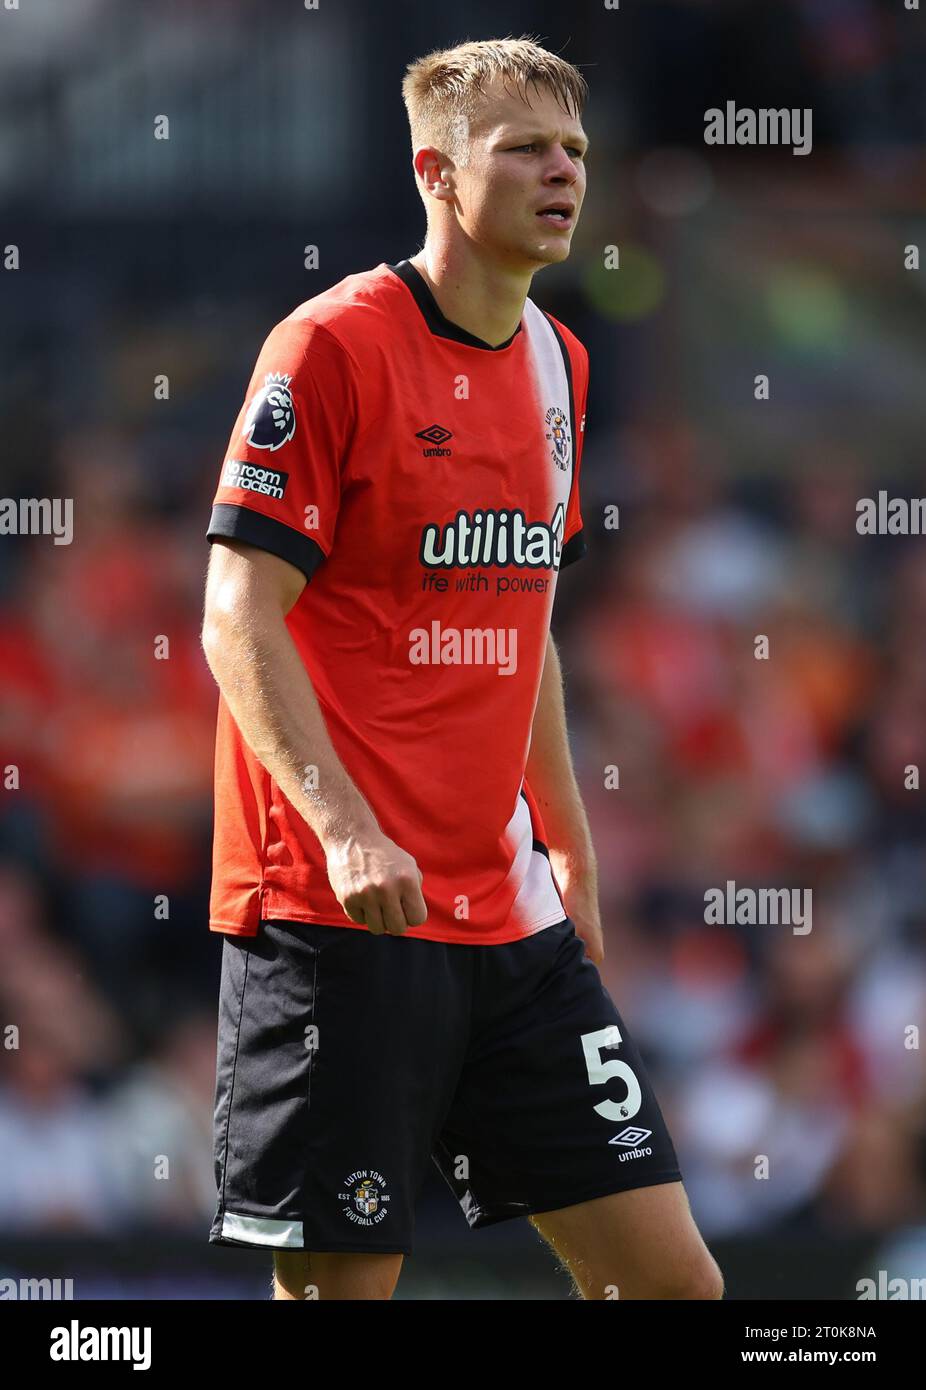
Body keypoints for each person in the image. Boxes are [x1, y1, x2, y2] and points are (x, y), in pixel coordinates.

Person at [201, 35, 723, 1302]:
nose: (564, 174)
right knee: (342, 1293)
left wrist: (569, 842)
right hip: (341, 914)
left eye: (576, 152)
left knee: (673, 1287)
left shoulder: (561, 360)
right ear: (435, 172)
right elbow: (233, 612)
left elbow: (522, 617)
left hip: (508, 917)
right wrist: (344, 828)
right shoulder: (328, 348)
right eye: (525, 150)